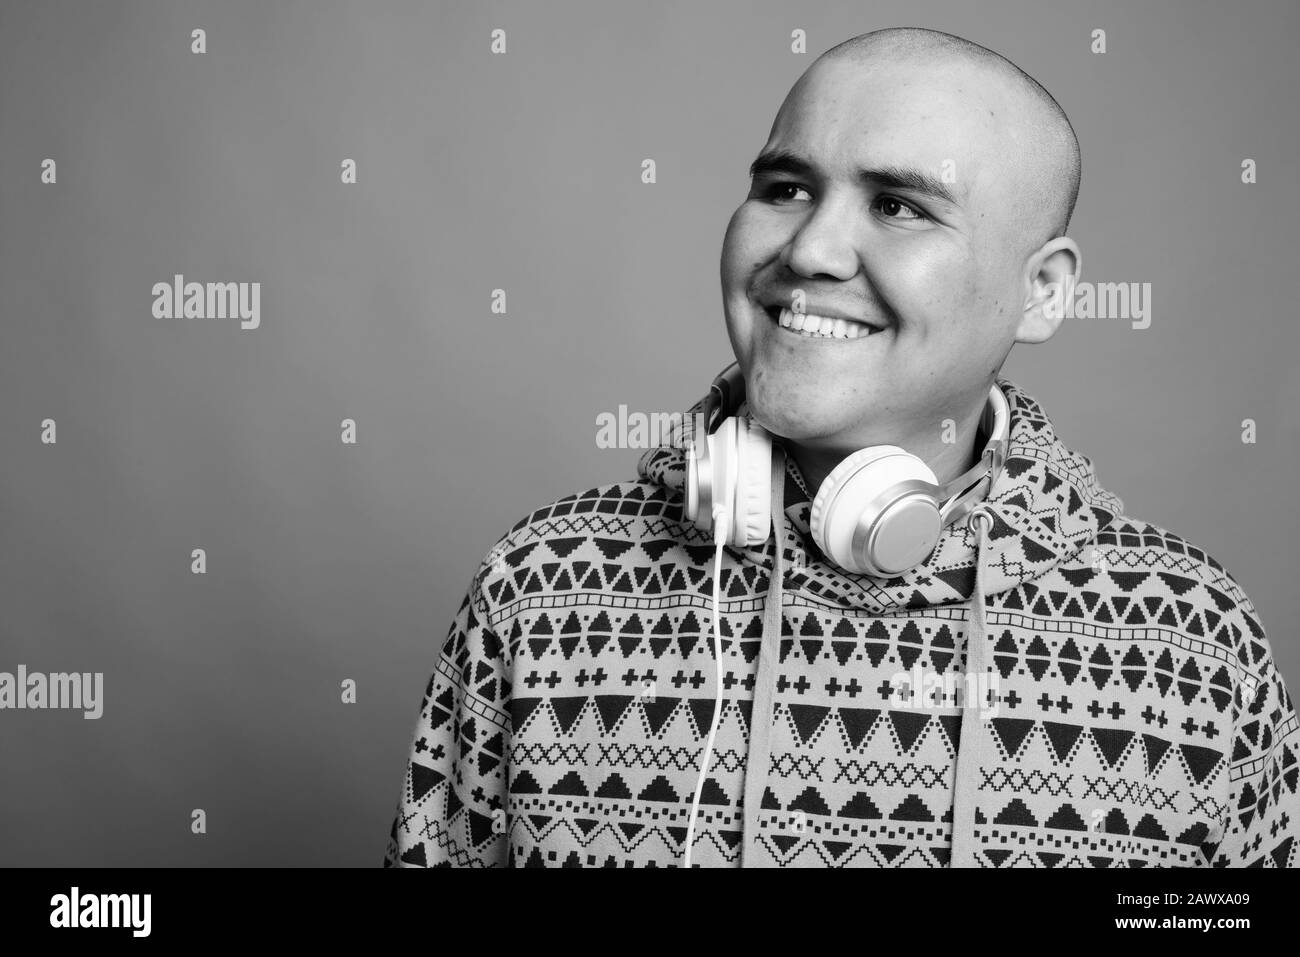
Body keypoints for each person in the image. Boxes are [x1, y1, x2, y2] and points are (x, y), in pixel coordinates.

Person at [383, 27, 1299, 868]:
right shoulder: (540, 586)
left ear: (1045, 291)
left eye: (899, 205)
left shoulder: (1191, 642)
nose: (812, 248)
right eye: (785, 189)